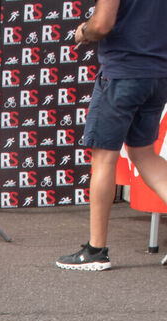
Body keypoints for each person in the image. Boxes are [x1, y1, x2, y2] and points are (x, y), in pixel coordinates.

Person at [55, 0, 167, 271]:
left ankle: (95, 250)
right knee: (143, 154)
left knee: (104, 159)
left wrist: (83, 30)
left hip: (122, 73)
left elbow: (102, 24)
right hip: (158, 74)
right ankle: (95, 250)